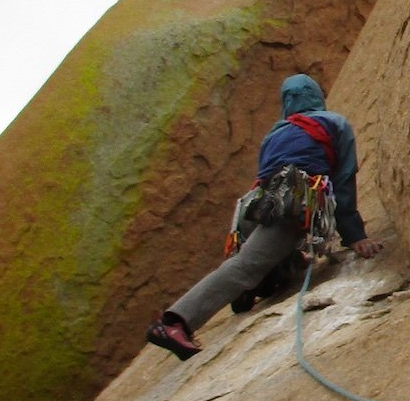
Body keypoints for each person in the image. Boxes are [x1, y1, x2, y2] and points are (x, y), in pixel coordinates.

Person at [146, 73, 381, 360]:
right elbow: (342, 182)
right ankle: (175, 322)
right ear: (316, 97)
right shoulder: (334, 123)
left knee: (285, 262)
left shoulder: (274, 134)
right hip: (290, 204)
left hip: (255, 207)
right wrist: (355, 236)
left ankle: (253, 289)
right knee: (246, 267)